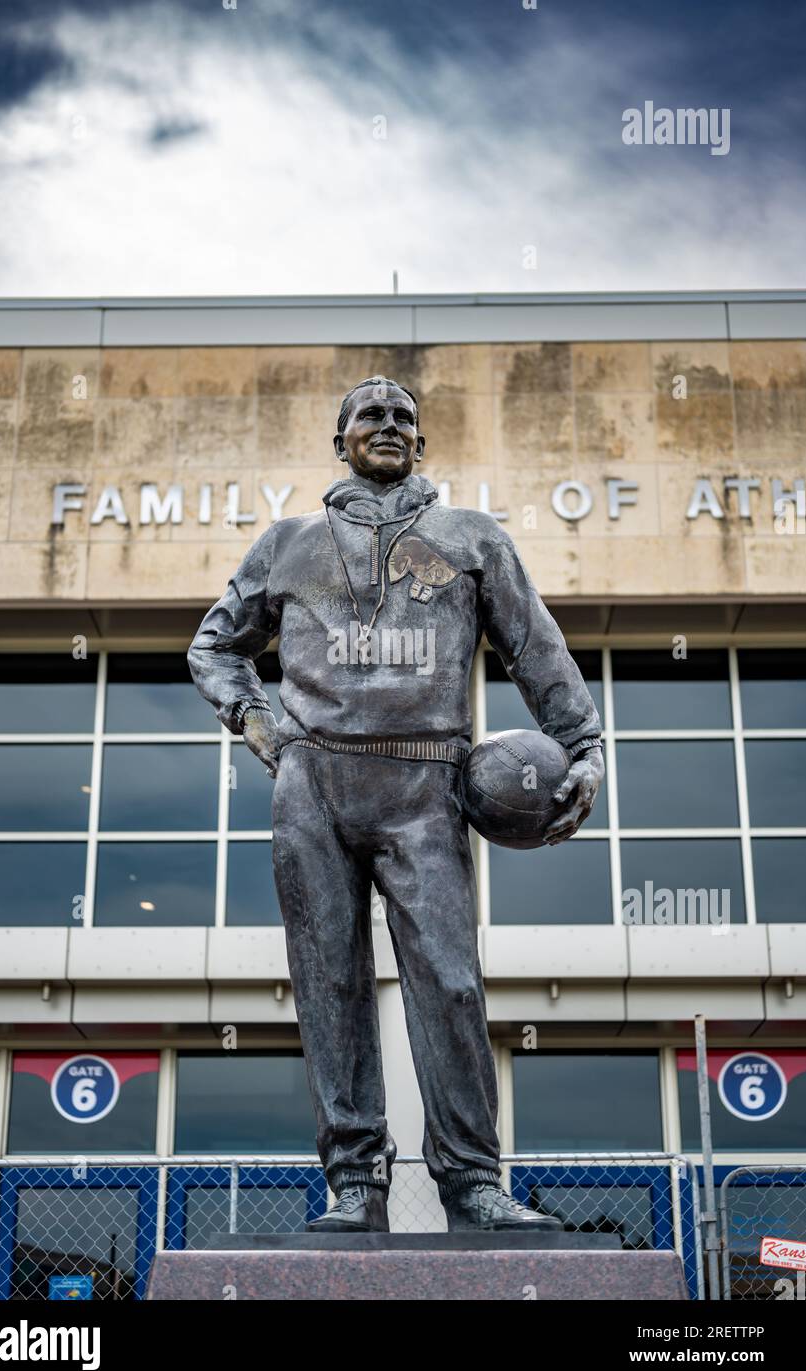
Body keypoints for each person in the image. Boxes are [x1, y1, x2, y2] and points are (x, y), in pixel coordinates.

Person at [188, 376, 604, 1232]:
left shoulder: (470, 537)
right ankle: (354, 1183)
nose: (387, 425)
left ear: (422, 445)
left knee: (450, 985)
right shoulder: (287, 543)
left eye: (403, 419)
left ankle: (473, 1183)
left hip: (426, 785)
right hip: (314, 786)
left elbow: (537, 648)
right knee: (329, 988)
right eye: (368, 417)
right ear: (338, 443)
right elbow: (212, 646)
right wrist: (254, 717)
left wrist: (584, 745)